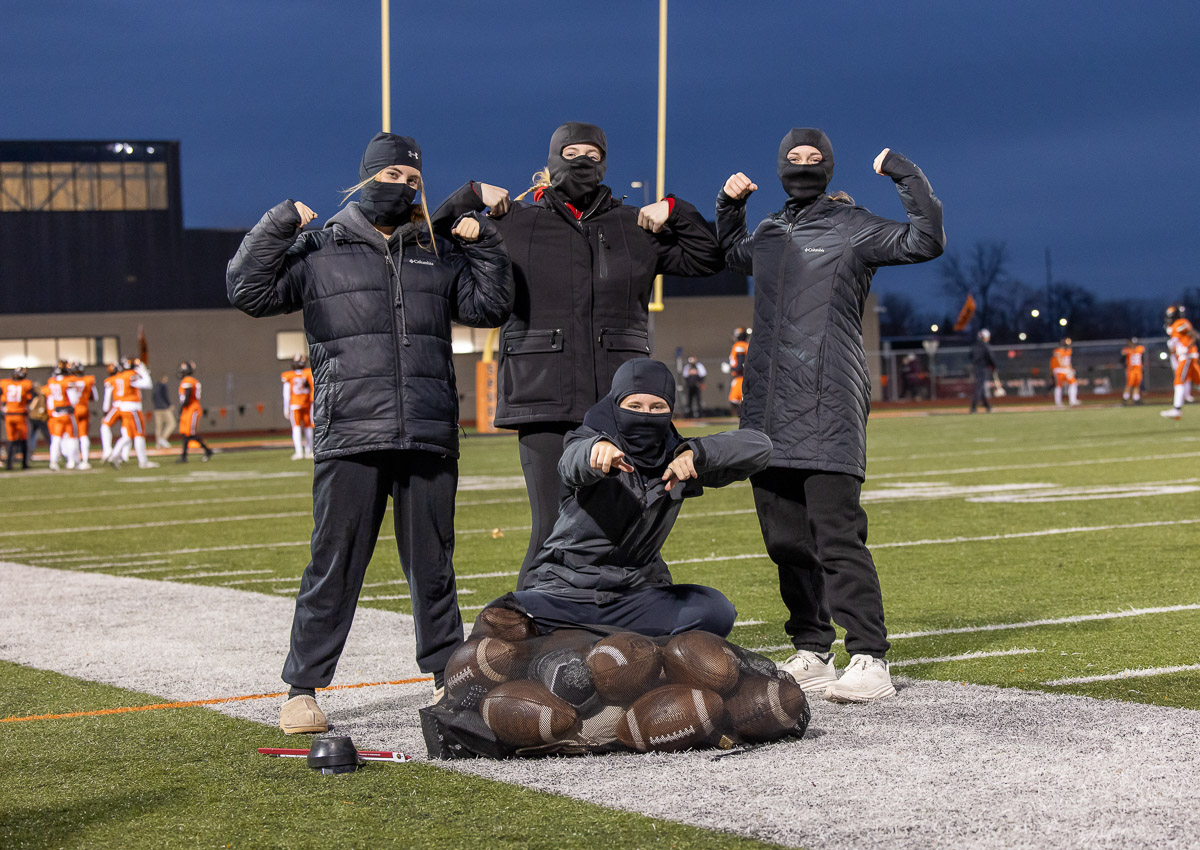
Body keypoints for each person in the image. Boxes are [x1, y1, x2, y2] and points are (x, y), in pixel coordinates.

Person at [227, 131, 514, 735]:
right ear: (364, 179)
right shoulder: (319, 248)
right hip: (352, 431)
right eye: (391, 178)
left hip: (429, 428)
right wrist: (276, 225)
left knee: (434, 567)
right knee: (333, 565)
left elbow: (490, 308)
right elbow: (247, 291)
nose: (402, 187)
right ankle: (301, 690)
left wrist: (484, 242)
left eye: (412, 181)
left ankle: (447, 681)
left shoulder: (434, 252)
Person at [433, 121, 724, 590]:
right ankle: (521, 635)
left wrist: (674, 208)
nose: (581, 161)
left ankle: (611, 638)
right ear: (552, 160)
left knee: (626, 526)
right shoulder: (514, 221)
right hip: (543, 397)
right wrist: (470, 195)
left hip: (619, 404)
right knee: (553, 528)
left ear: (605, 162)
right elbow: (434, 241)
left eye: (592, 153)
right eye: (571, 152)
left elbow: (707, 258)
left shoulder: (633, 226)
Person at [717, 128, 945, 702]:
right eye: (792, 158)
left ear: (829, 167)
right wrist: (729, 207)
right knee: (785, 542)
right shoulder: (768, 230)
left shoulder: (855, 227)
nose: (803, 165)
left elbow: (926, 239)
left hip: (828, 403)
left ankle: (869, 656)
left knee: (837, 538)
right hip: (766, 406)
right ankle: (812, 650)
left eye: (814, 159)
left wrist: (904, 173)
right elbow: (732, 254)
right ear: (779, 167)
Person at [512, 359, 772, 635]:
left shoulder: (679, 459)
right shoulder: (588, 441)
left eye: (657, 407)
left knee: (716, 611)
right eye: (634, 406)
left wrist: (698, 452)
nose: (646, 415)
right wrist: (595, 452)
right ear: (615, 405)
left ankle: (598, 643)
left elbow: (760, 448)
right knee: (505, 614)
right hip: (568, 593)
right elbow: (570, 463)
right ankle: (624, 646)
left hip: (636, 595)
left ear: (670, 410)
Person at [108, 357, 157, 469]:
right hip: (132, 408)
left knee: (127, 436)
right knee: (139, 434)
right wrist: (143, 371)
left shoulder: (119, 376)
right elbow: (147, 384)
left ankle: (114, 455)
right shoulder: (130, 375)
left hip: (123, 409)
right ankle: (143, 462)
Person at [1162, 305, 1199, 420]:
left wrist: (1186, 347)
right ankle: (1176, 410)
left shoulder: (1180, 323)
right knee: (1197, 381)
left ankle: (1177, 410)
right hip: (1182, 357)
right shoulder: (1173, 327)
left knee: (1179, 379)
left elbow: (1194, 335)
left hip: (1185, 356)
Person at [44, 362, 81, 471]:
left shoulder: (51, 382)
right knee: (72, 438)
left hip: (56, 414)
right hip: (67, 413)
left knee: (56, 439)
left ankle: (53, 462)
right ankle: (71, 461)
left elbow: (50, 400)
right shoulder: (68, 382)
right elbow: (74, 399)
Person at [177, 361, 213, 463]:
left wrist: (181, 409)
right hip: (188, 408)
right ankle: (184, 456)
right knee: (185, 433)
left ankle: (207, 450)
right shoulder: (188, 380)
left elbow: (187, 396)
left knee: (190, 434)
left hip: (191, 408)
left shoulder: (188, 380)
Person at [280, 354, 315, 460]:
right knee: (308, 427)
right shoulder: (308, 373)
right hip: (307, 403)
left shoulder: (289, 375)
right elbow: (313, 387)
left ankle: (299, 451)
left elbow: (286, 394)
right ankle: (309, 451)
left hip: (295, 404)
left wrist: (286, 407)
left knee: (296, 427)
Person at [1, 367, 35, 470]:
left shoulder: (5, 383)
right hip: (20, 415)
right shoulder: (26, 384)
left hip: (9, 415)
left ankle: (9, 464)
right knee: (23, 439)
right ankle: (24, 464)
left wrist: (3, 407)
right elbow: (33, 397)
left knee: (11, 440)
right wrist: (29, 408)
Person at [69, 362, 98, 469]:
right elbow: (95, 397)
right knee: (84, 436)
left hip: (73, 410)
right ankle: (85, 460)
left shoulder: (69, 380)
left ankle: (72, 461)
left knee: (73, 436)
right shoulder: (88, 380)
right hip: (84, 408)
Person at [99, 363, 125, 462]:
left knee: (105, 425)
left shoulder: (110, 380)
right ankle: (124, 455)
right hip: (131, 407)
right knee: (127, 432)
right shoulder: (127, 376)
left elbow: (107, 397)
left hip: (118, 406)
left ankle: (107, 450)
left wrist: (105, 413)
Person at [969, 328, 997, 413]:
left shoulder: (974, 346)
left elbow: (970, 356)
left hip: (976, 368)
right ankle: (973, 407)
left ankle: (987, 406)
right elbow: (990, 357)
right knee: (979, 387)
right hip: (983, 368)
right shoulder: (985, 346)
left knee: (980, 387)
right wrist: (993, 366)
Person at [1051, 338, 1079, 407]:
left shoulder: (1068, 351)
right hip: (1060, 370)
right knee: (1059, 385)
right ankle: (1059, 402)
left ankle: (1072, 400)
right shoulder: (1059, 351)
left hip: (1065, 370)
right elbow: (1060, 361)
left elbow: (1068, 362)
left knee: (1073, 383)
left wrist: (1070, 369)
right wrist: (1068, 369)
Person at [728, 328, 750, 414]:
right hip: (745, 376)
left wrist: (732, 369)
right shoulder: (746, 345)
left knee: (735, 401)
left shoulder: (739, 345)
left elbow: (740, 363)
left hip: (740, 377)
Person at [153, 374, 177, 448]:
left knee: (158, 426)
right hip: (164, 408)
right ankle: (162, 439)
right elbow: (165, 397)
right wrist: (169, 405)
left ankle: (158, 443)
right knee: (172, 423)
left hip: (157, 409)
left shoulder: (155, 386)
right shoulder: (163, 386)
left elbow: (153, 397)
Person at [1121, 337, 1144, 405]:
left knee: (1137, 384)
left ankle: (1136, 398)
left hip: (1138, 369)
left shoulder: (1140, 348)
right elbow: (1122, 359)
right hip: (1131, 370)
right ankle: (1125, 398)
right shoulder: (1127, 350)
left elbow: (1142, 357)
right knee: (1129, 384)